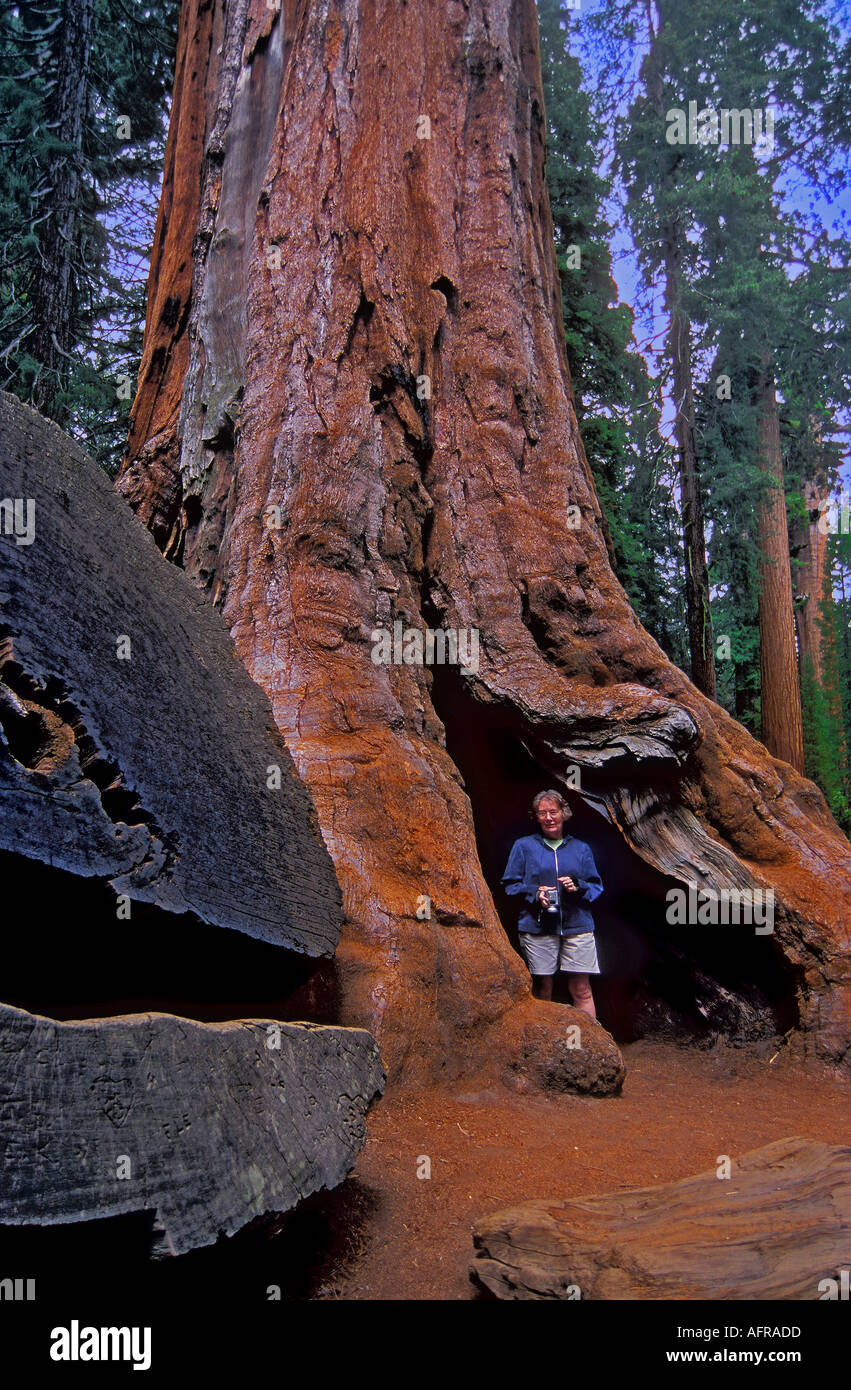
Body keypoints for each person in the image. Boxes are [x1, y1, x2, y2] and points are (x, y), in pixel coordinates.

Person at [501, 790, 603, 1016]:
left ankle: (588, 1046)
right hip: (537, 927)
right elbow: (509, 885)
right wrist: (535, 893)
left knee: (582, 989)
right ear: (536, 817)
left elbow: (596, 886)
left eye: (553, 812)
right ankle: (543, 1047)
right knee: (543, 988)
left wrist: (578, 886)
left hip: (577, 926)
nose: (548, 817)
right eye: (542, 813)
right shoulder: (524, 846)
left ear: (564, 814)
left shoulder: (580, 849)